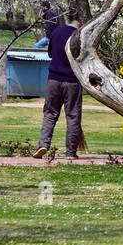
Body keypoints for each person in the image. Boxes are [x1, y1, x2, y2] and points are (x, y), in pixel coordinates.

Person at [33, 12, 84, 159]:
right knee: (73, 116)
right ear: (81, 20)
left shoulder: (56, 33)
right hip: (72, 81)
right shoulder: (79, 36)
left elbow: (50, 54)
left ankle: (43, 144)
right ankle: (71, 152)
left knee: (50, 113)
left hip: (53, 80)